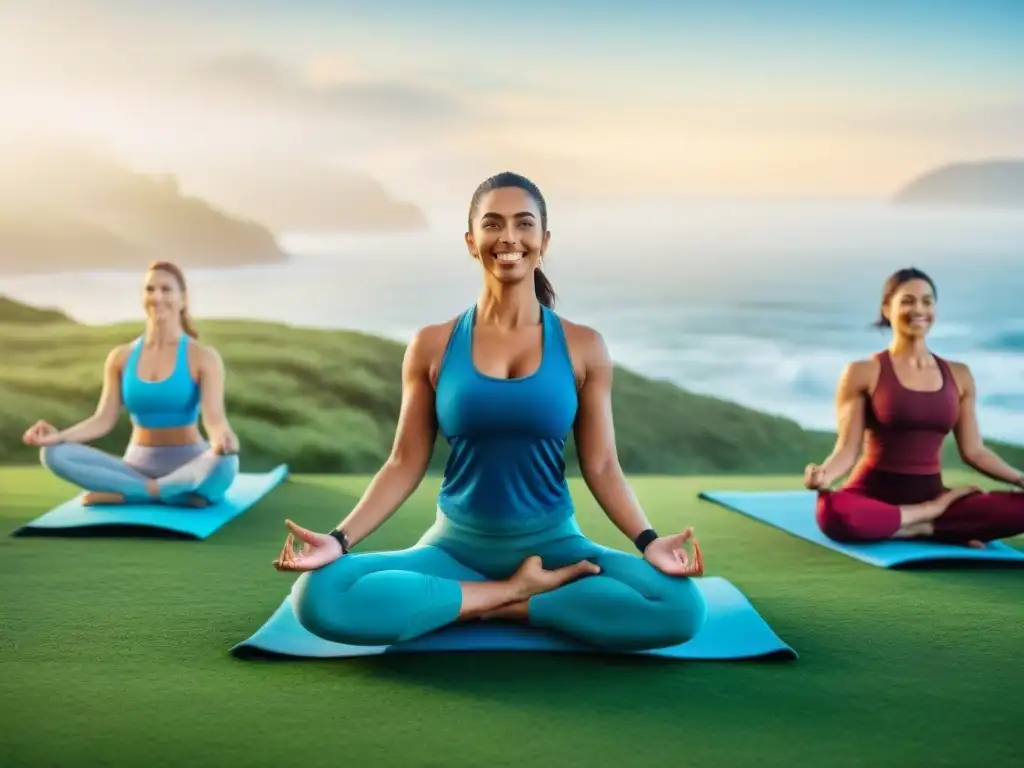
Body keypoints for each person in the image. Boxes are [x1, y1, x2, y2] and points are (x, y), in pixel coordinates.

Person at [272, 171, 707, 652]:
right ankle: (508, 595)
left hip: (556, 547)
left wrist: (648, 541)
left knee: (681, 607)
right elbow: (404, 462)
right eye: (493, 224)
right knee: (320, 595)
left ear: (544, 239)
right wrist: (339, 539)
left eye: (524, 224)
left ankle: (494, 605)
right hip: (454, 549)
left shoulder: (585, 346)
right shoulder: (432, 345)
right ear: (470, 241)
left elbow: (602, 465)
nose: (509, 238)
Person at [804, 267, 1024, 546]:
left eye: (927, 301)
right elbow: (848, 449)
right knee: (834, 513)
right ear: (886, 308)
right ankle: (927, 521)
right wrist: (825, 475)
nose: (918, 309)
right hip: (872, 495)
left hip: (935, 494)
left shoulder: (960, 375)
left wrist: (1020, 479)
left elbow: (975, 451)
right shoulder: (862, 371)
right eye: (907, 301)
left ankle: (909, 524)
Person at [22, 260, 240, 507]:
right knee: (53, 454)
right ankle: (163, 491)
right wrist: (59, 437)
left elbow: (214, 420)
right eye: (150, 289)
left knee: (227, 464)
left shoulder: (203, 356)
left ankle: (129, 493)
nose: (157, 297)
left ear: (183, 298)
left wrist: (224, 440)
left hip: (190, 464)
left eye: (166, 289)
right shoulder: (121, 357)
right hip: (135, 467)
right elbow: (103, 419)